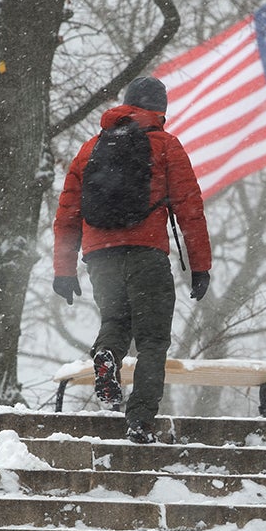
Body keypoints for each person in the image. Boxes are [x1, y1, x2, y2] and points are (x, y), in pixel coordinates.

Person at [52, 75, 214, 444]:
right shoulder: (165, 145)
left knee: (115, 319)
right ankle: (140, 419)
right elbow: (190, 210)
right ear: (160, 110)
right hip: (147, 254)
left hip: (100, 257)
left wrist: (63, 269)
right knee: (153, 340)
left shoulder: (90, 148)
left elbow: (67, 213)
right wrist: (200, 265)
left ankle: (106, 355)